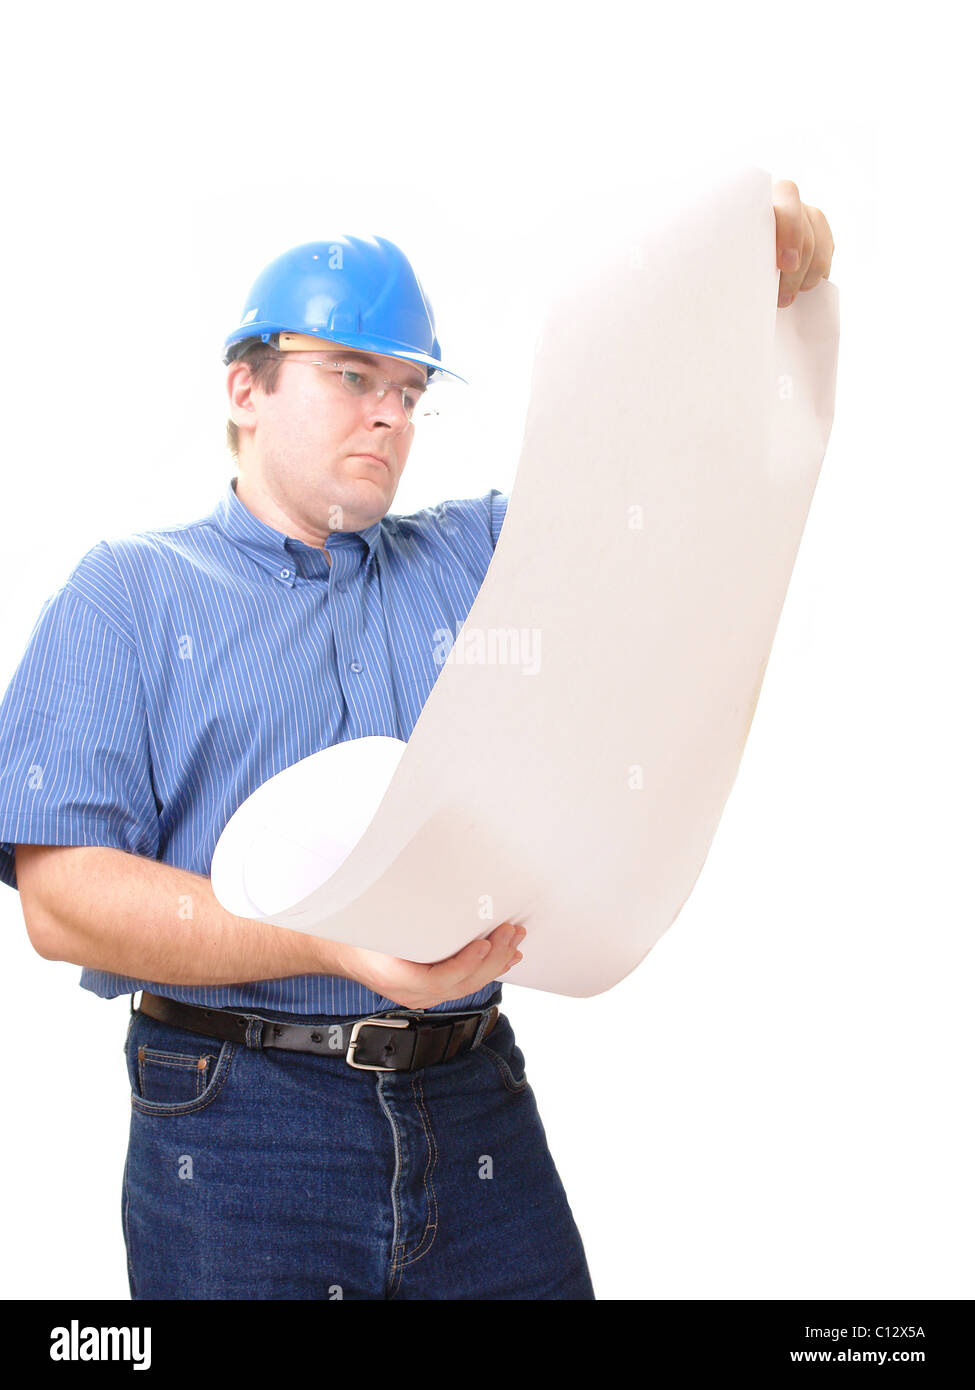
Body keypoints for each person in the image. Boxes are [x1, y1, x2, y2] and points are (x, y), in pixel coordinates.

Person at [0, 186, 833, 1301]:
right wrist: (333, 946)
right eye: (353, 375)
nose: (389, 413)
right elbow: (63, 904)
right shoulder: (128, 595)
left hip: (471, 1097)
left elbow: (644, 468)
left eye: (409, 389)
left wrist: (730, 279)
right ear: (244, 386)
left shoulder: (477, 560)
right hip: (235, 1123)